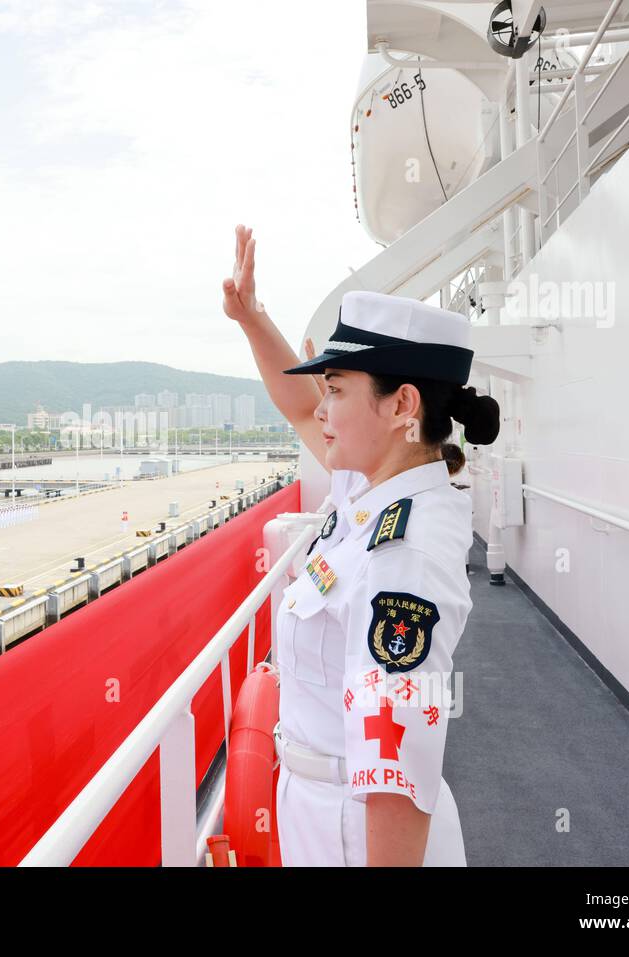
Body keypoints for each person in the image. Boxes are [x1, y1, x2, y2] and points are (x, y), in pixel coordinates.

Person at [223, 225, 501, 867]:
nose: (323, 411)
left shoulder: (402, 553)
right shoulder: (373, 487)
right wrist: (251, 317)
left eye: (339, 390)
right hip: (320, 811)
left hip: (355, 832)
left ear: (402, 405)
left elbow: (396, 761)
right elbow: (302, 408)